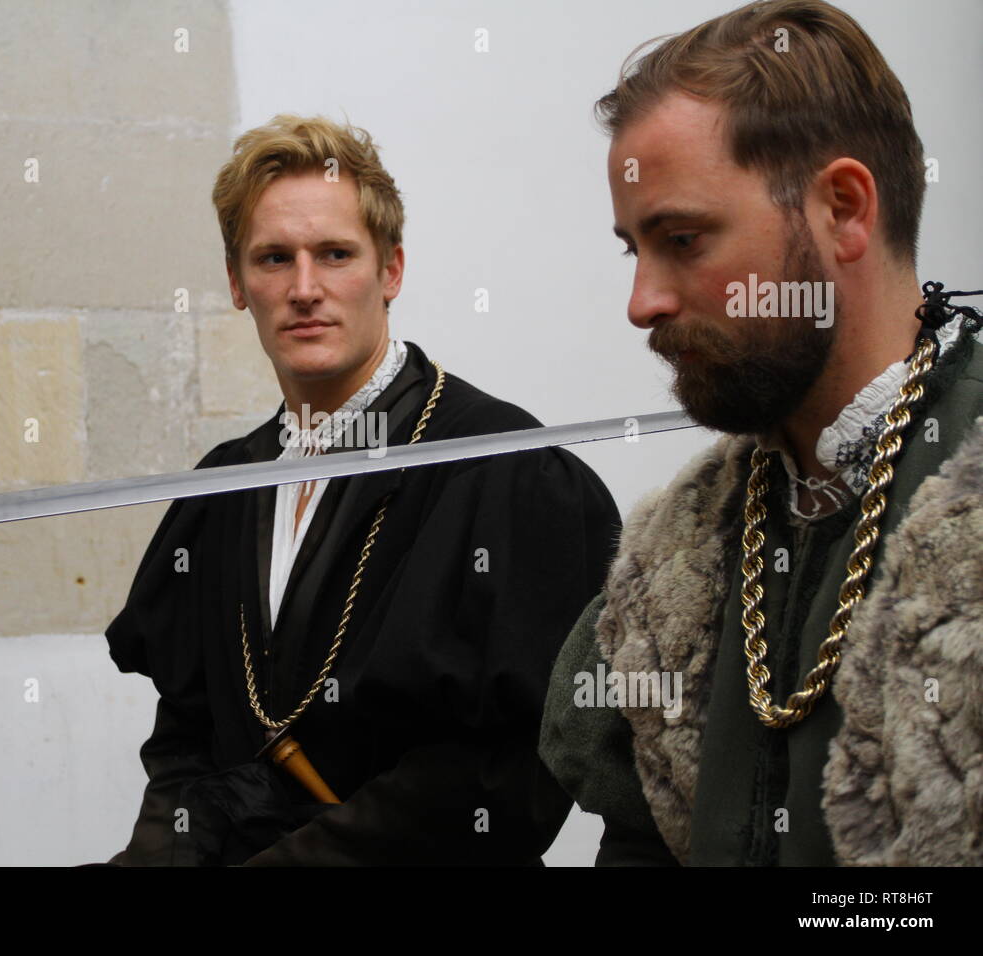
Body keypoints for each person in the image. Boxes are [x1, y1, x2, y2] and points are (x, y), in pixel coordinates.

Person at [106, 114, 620, 865]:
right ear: (236, 284)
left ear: (391, 271)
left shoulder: (505, 469)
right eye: (274, 258)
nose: (304, 288)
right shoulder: (222, 489)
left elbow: (508, 779)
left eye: (336, 254)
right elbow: (188, 742)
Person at [539, 0, 982, 866]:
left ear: (845, 210)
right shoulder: (674, 559)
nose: (643, 303)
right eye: (635, 249)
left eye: (682, 238)